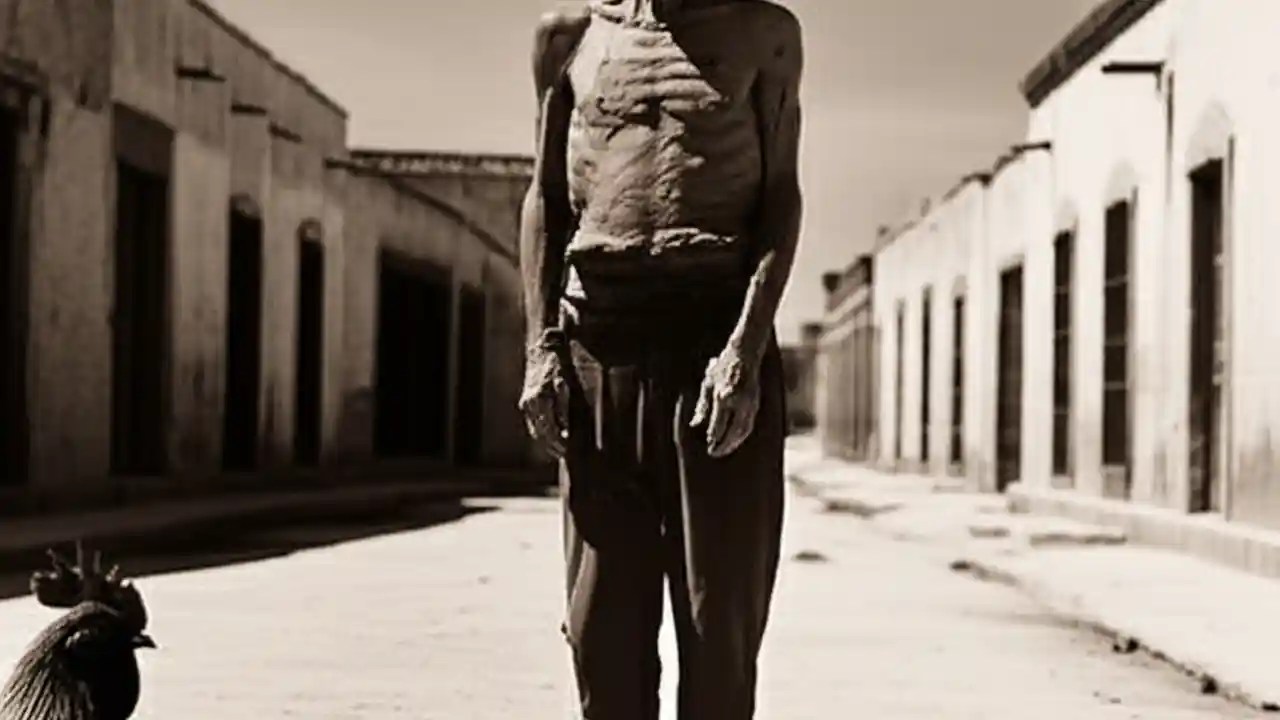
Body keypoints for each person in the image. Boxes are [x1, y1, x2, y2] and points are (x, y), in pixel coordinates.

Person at [517, 0, 803, 717]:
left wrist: (743, 349)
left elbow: (779, 199)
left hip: (713, 344)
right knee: (600, 636)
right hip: (598, 342)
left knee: (719, 631)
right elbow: (548, 199)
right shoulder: (568, 37)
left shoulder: (763, 34)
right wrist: (539, 351)